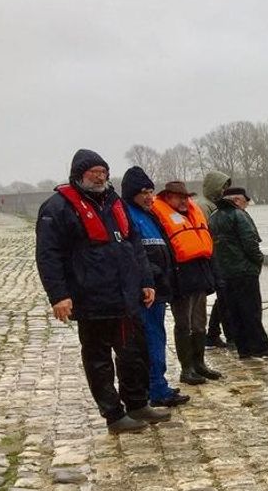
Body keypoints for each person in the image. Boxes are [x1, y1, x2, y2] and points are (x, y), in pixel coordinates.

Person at [35, 150, 171, 433]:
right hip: (90, 298)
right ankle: (113, 414)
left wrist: (146, 281)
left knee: (134, 352)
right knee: (98, 359)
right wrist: (59, 295)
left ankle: (137, 403)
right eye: (93, 172)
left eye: (103, 171)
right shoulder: (57, 208)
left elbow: (134, 245)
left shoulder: (115, 203)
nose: (100, 177)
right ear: (78, 175)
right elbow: (48, 255)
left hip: (126, 296)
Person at [121, 167, 191, 408]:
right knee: (150, 339)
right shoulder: (128, 216)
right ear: (132, 194)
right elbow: (133, 255)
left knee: (157, 337)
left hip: (159, 289)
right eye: (144, 192)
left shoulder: (148, 215)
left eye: (151, 191)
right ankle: (155, 389)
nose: (150, 197)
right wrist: (150, 278)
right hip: (146, 293)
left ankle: (158, 384)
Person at [151, 180, 223, 385]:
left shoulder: (193, 214)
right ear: (168, 197)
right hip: (179, 278)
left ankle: (199, 364)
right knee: (184, 324)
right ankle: (187, 369)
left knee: (199, 322)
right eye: (179, 197)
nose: (184, 201)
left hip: (199, 275)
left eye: (186, 197)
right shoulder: (159, 217)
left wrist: (214, 275)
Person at [209, 187, 268, 359]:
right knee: (252, 310)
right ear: (236, 200)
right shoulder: (238, 215)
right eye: (245, 200)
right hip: (244, 271)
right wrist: (258, 261)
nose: (247, 204)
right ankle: (260, 346)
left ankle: (243, 348)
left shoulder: (213, 217)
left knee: (234, 312)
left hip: (224, 273)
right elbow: (250, 242)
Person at [200, 170, 233, 349]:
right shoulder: (205, 207)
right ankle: (226, 335)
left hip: (217, 257)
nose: (224, 191)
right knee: (225, 297)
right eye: (223, 187)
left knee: (224, 297)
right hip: (215, 258)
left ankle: (213, 333)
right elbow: (208, 233)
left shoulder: (211, 205)